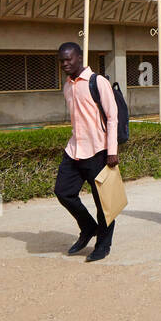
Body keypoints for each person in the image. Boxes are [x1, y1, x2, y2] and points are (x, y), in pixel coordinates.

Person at [55, 42, 119, 262]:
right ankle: (89, 227)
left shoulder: (97, 82)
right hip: (74, 150)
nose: (65, 64)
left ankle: (103, 245)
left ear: (79, 57)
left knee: (104, 203)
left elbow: (112, 117)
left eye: (68, 59)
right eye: (62, 60)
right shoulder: (67, 86)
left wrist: (112, 150)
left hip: (99, 151)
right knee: (63, 191)